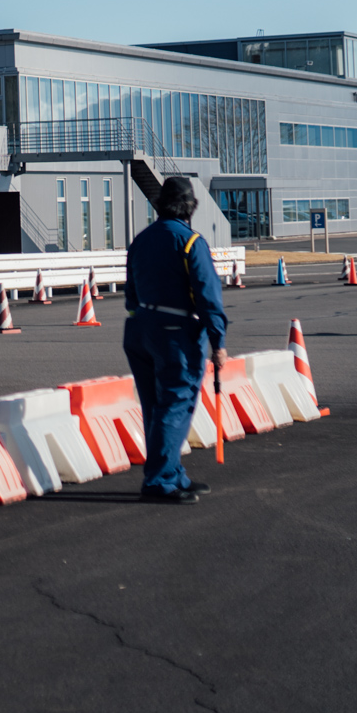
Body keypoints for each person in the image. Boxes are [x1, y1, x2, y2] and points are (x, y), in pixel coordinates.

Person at [122, 178, 229, 505]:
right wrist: (218, 341)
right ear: (190, 207)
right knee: (176, 404)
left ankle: (172, 472)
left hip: (140, 328)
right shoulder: (190, 242)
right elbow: (208, 297)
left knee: (155, 406)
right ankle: (160, 480)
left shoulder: (141, 240)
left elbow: (131, 294)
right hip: (175, 332)